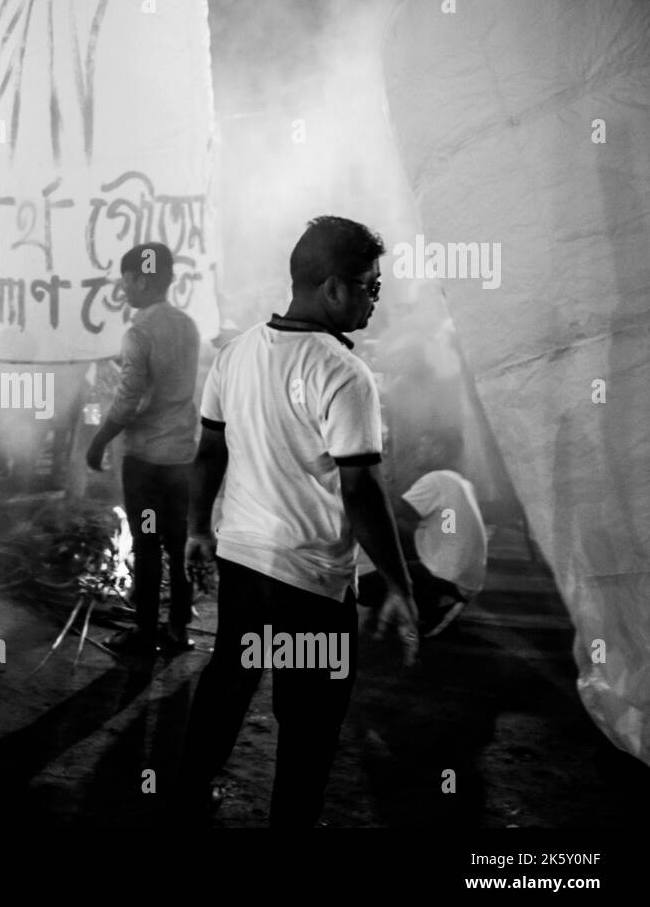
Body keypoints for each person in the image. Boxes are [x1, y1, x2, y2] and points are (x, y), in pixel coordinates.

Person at [178, 215, 420, 827]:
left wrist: (198, 531)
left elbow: (209, 452)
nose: (375, 297)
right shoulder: (344, 373)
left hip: (242, 562)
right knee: (308, 725)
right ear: (334, 288)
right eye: (369, 284)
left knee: (230, 680)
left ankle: (183, 796)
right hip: (309, 584)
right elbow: (362, 492)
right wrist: (402, 583)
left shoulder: (235, 354)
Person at [85, 242, 199, 657]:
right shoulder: (187, 325)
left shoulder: (139, 332)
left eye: (127, 279)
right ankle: (178, 628)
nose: (123, 287)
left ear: (143, 279)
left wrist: (99, 441)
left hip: (147, 464)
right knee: (177, 541)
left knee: (148, 544)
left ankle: (145, 634)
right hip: (182, 458)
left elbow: (129, 399)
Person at [358, 429, 487, 637]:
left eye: (422, 446)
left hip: (448, 574)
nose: (417, 451)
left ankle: (424, 604)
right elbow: (449, 527)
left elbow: (390, 512)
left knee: (363, 588)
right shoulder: (460, 482)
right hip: (468, 575)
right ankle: (430, 598)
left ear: (438, 450)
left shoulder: (435, 480)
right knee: (401, 537)